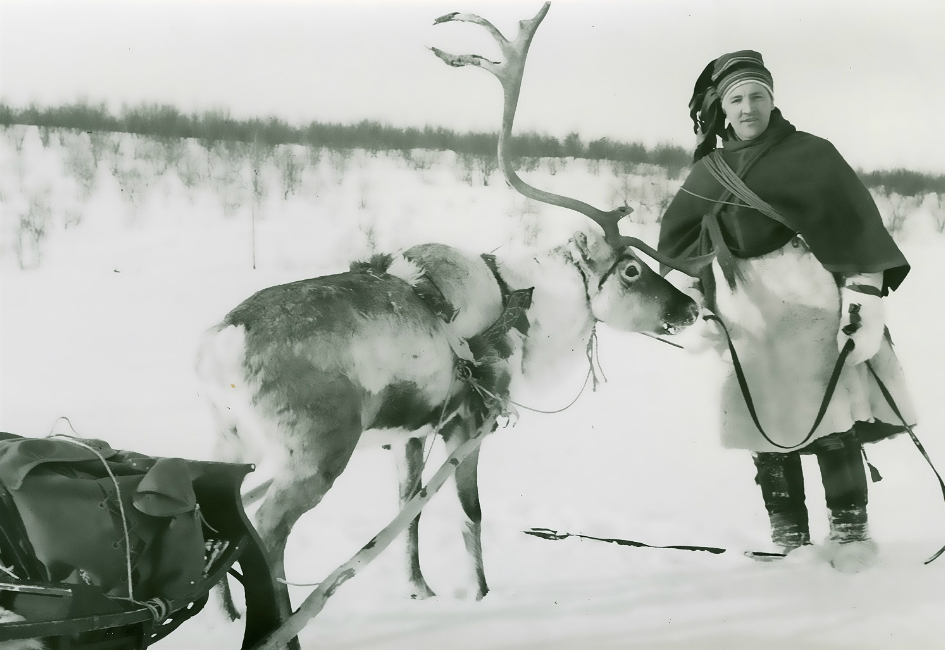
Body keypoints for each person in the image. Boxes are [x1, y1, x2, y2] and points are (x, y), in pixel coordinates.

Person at [657, 51, 915, 573]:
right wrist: (694, 304)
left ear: (773, 99)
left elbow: (856, 228)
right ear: (723, 108)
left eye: (757, 96)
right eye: (737, 99)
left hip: (811, 306)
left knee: (832, 422)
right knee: (762, 423)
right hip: (746, 313)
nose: (748, 107)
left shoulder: (814, 155)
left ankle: (849, 535)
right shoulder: (708, 170)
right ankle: (788, 538)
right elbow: (680, 246)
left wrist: (863, 299)